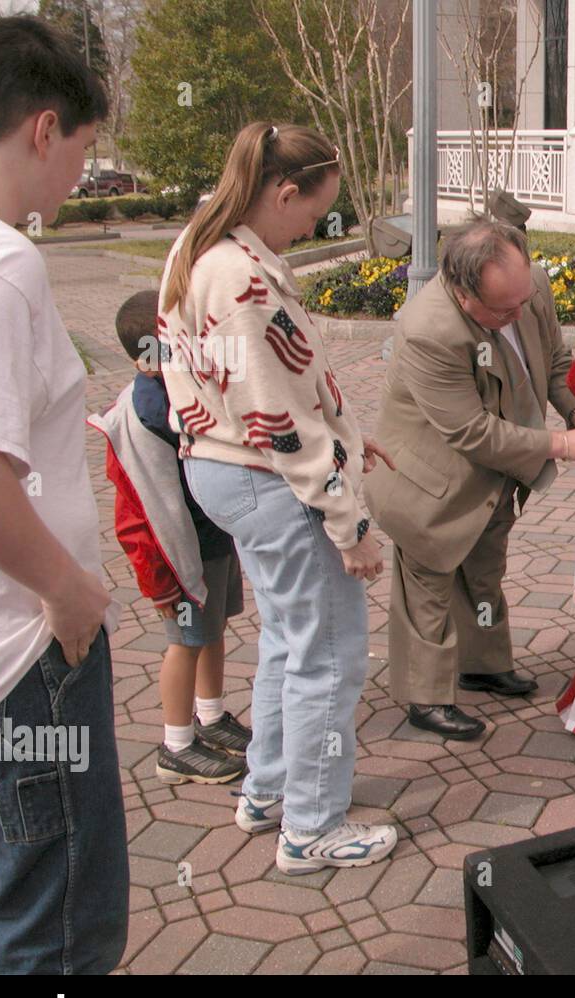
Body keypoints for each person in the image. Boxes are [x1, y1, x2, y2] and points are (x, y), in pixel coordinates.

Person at [159, 121, 397, 875]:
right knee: (328, 656)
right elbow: (280, 420)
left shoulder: (204, 242)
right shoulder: (245, 280)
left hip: (225, 469)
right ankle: (313, 828)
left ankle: (267, 793)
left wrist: (350, 441)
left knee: (292, 645)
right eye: (313, 213)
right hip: (270, 478)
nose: (314, 229)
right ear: (283, 191)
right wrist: (350, 521)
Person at [0, 14, 128, 973]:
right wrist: (68, 592)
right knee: (61, 923)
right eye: (82, 149)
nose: (79, 174)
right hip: (28, 656)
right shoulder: (4, 268)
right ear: (45, 128)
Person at [366, 218, 575, 740]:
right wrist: (563, 445)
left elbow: (556, 361)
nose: (520, 313)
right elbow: (469, 431)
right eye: (504, 310)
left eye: (523, 300)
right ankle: (425, 698)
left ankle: (482, 664)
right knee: (428, 584)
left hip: (499, 470)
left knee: (483, 568)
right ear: (461, 289)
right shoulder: (429, 329)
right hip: (431, 479)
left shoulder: (525, 285)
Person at [89, 291, 252, 785]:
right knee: (184, 643)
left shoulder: (177, 386)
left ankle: (211, 715)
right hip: (180, 556)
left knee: (214, 630)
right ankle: (176, 744)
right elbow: (139, 512)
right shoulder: (150, 408)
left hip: (212, 537)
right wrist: (159, 583)